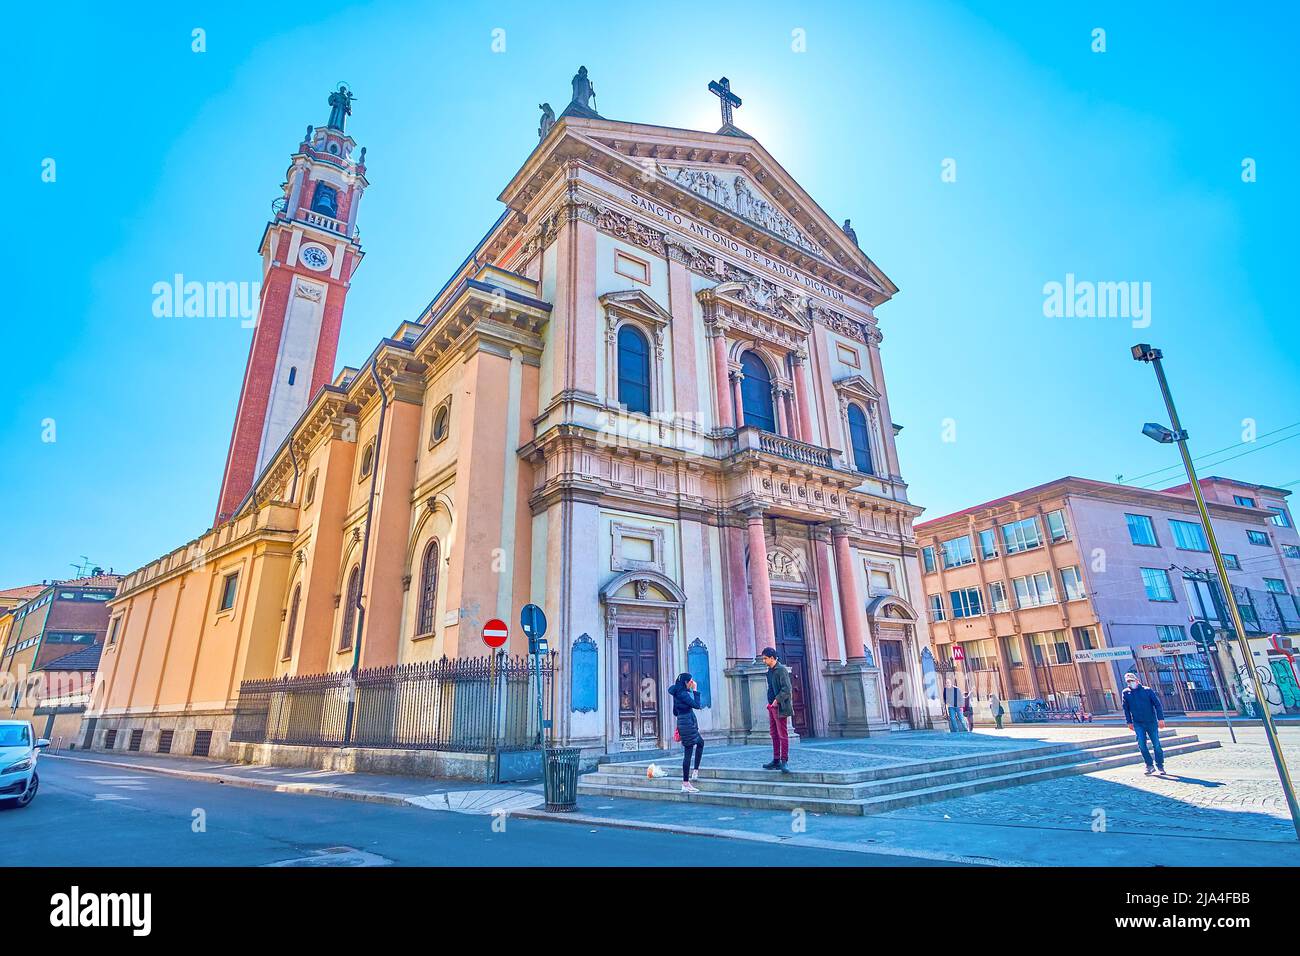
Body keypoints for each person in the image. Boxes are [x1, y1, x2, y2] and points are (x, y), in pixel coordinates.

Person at [1122, 671, 1167, 775]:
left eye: (1132, 681)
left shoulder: (1147, 690)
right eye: (1128, 682)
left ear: (1137, 680)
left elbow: (1157, 705)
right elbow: (1126, 709)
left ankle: (1160, 765)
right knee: (1142, 744)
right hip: (1138, 723)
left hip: (1151, 721)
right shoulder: (1126, 692)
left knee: (1156, 744)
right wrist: (1129, 722)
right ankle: (1149, 765)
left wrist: (1161, 719)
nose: (1130, 683)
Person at [669, 672, 704, 793]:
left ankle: (695, 771)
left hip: (685, 722)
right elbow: (697, 705)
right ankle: (685, 783)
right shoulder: (683, 694)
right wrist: (695, 690)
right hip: (687, 724)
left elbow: (675, 712)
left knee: (700, 743)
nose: (692, 683)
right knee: (688, 753)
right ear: (685, 682)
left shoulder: (677, 693)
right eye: (690, 681)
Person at [760, 647, 793, 772]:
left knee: (782, 735)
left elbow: (787, 689)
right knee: (773, 734)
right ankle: (776, 760)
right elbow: (770, 688)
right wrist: (770, 703)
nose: (763, 661)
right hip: (772, 707)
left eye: (765, 658)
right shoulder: (770, 671)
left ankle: (784, 761)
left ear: (772, 658)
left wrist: (776, 701)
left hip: (781, 707)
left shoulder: (781, 670)